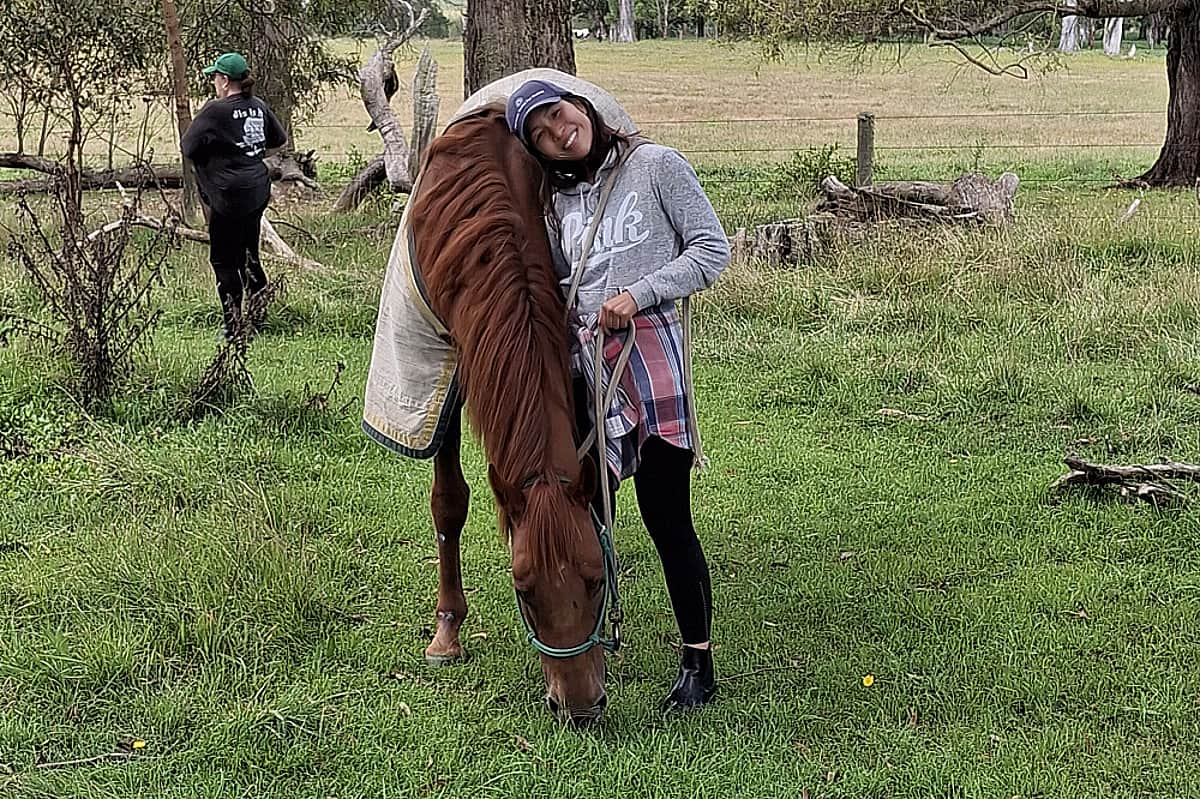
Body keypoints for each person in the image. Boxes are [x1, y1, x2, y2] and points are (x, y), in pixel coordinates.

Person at [505, 79, 730, 711]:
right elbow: (559, 280)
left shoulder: (656, 166)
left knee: (666, 517)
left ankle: (698, 661)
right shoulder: (556, 203)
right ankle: (584, 649)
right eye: (541, 135)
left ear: (581, 108)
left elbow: (711, 250)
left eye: (558, 115)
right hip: (587, 370)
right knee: (586, 517)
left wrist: (639, 294)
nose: (558, 132)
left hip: (648, 356)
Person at [181, 52, 287, 340]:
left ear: (225, 80)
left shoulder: (215, 110)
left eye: (215, 77)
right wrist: (249, 155)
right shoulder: (258, 106)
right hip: (256, 190)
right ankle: (258, 317)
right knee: (250, 254)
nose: (213, 82)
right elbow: (278, 141)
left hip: (227, 196)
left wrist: (219, 157)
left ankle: (233, 325)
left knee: (224, 260)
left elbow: (188, 147)